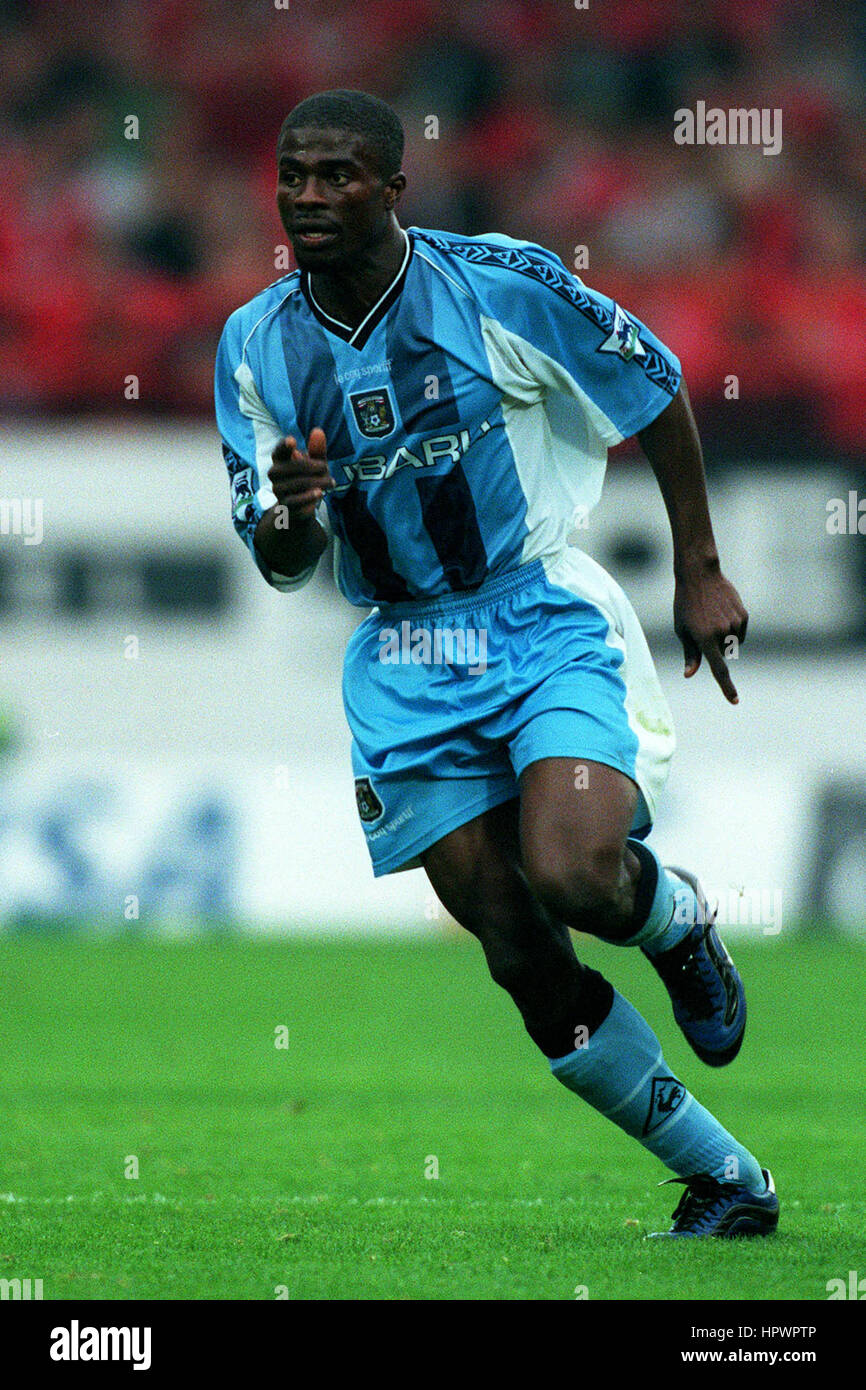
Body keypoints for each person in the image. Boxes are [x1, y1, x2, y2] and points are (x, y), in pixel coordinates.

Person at [215, 89, 778, 1238]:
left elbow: (654, 381)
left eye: (336, 176)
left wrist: (698, 569)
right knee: (518, 952)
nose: (309, 197)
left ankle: (670, 921)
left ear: (391, 189)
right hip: (399, 657)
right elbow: (276, 557)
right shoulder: (253, 343)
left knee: (573, 872)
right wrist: (292, 514)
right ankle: (723, 1176)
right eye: (293, 175)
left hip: (536, 618)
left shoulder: (496, 283)